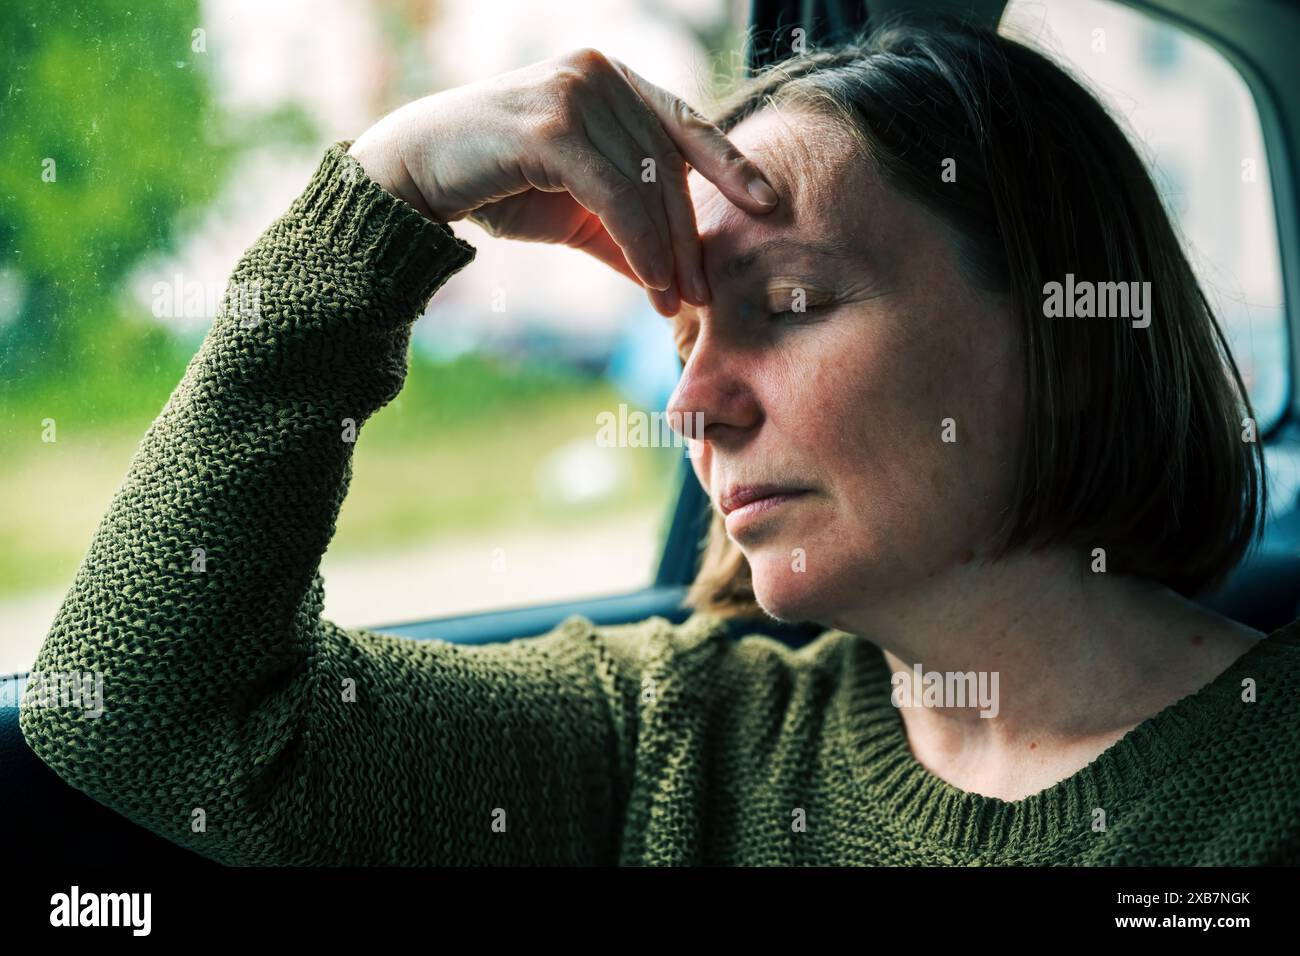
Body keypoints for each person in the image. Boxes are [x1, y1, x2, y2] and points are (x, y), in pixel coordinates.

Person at [20, 18, 1300, 865]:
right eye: (685, 330)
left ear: (1064, 337)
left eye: (787, 307)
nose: (690, 405)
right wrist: (392, 190)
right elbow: (147, 714)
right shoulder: (671, 733)